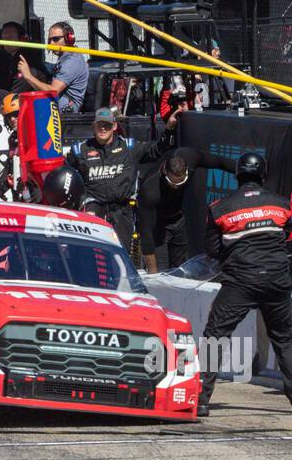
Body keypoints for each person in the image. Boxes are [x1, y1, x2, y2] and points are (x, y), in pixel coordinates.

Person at [199, 152, 292, 417]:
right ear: (263, 176)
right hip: (276, 279)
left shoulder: (219, 208)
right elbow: (286, 235)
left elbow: (212, 249)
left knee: (214, 337)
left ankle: (200, 400)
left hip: (240, 280)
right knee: (284, 338)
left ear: (237, 175)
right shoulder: (280, 204)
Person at [67, 107, 172, 244]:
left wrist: (169, 129)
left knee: (121, 252)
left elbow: (156, 150)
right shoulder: (80, 150)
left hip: (122, 211)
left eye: (107, 125)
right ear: (93, 126)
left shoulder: (128, 148)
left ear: (114, 126)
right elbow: (64, 176)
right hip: (94, 208)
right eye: (100, 125)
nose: (103, 128)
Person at [137, 145, 238, 273]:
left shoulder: (189, 157)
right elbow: (146, 233)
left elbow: (219, 161)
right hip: (157, 224)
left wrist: (242, 170)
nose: (178, 187)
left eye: (182, 182)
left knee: (181, 268)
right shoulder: (150, 190)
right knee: (160, 273)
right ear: (165, 174)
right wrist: (152, 272)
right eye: (173, 184)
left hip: (178, 218)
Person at [16, 21, 89, 114]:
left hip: (63, 112)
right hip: (55, 105)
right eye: (49, 40)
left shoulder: (71, 62)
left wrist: (28, 75)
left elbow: (52, 91)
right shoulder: (66, 58)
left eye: (56, 39)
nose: (51, 43)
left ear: (69, 39)